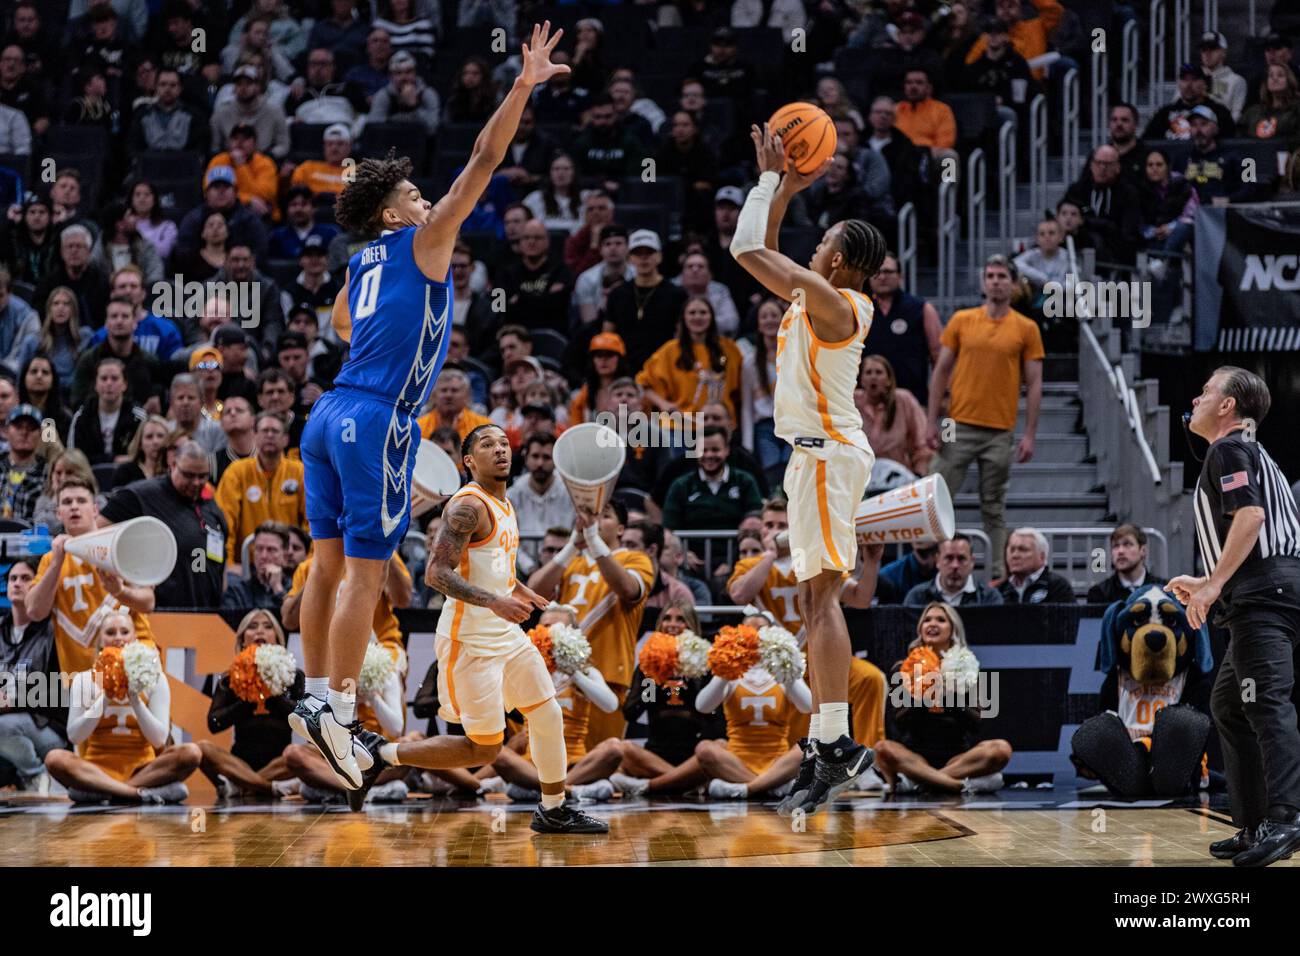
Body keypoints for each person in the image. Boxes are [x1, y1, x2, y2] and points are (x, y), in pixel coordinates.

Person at [293, 22, 572, 796]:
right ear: (395, 213)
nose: (427, 200)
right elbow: (484, 161)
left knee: (323, 566)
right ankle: (341, 713)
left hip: (328, 412)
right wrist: (523, 85)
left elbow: (344, 325)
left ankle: (316, 697)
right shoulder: (422, 241)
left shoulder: (361, 261)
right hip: (379, 414)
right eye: (414, 196)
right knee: (365, 571)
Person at [730, 121, 888, 815]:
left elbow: (745, 249)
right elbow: (766, 247)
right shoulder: (821, 295)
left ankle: (834, 743)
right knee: (815, 600)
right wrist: (787, 189)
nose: (813, 246)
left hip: (826, 457)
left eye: (823, 244)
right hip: (817, 459)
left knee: (822, 601)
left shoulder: (836, 304)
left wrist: (769, 181)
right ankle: (830, 741)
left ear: (843, 263)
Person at [366, 422, 608, 831]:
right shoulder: (467, 506)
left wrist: (520, 589)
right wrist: (496, 601)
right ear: (468, 460)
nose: (500, 450)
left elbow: (491, 568)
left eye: (503, 443)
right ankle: (382, 755)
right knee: (483, 748)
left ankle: (553, 808)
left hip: (506, 636)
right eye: (486, 444)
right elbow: (437, 574)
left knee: (547, 713)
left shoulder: (505, 504)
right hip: (469, 640)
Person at [1169, 366, 1300, 866]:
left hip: (1264, 595)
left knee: (1266, 704)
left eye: (1205, 391)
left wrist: (1213, 585)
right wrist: (1208, 582)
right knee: (1229, 704)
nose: (1197, 398)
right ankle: (1252, 824)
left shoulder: (1228, 447)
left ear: (1227, 406)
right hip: (1270, 591)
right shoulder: (1255, 452)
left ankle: (1286, 820)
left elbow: (1250, 518)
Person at [926, 256, 1044, 579]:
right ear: (983, 283)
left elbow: (1034, 382)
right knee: (936, 497)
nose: (995, 281)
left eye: (1002, 276)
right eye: (990, 276)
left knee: (993, 507)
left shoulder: (1026, 328)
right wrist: (931, 421)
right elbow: (940, 372)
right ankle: (930, 569)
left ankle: (996, 574)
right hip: (955, 424)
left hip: (1000, 430)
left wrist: (1030, 433)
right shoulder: (963, 320)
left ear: (1013, 283)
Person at [527, 496, 655, 753]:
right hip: (564, 677)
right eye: (592, 517)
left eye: (604, 516)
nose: (594, 522)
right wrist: (573, 544)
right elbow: (534, 591)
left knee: (600, 756)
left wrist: (594, 541)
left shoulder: (636, 559)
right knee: (556, 755)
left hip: (608, 673)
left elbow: (627, 589)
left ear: (621, 529)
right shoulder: (572, 561)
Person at [45, 610, 200, 804]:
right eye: (110, 633)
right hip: (96, 769)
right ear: (100, 640)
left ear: (134, 637)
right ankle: (136, 794)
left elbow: (159, 739)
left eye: (124, 632)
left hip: (143, 769)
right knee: (55, 759)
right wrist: (106, 697)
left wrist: (135, 699)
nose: (118, 638)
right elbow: (75, 735)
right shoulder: (84, 679)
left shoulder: (156, 678)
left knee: (191, 753)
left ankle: (109, 792)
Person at [478, 603, 625, 804]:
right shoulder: (525, 669)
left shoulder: (585, 671)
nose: (547, 632)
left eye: (555, 627)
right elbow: (501, 704)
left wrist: (573, 672)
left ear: (572, 634)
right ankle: (571, 792)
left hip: (574, 763)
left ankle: (545, 790)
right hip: (534, 764)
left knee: (615, 749)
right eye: (544, 626)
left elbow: (610, 705)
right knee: (497, 753)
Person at [874, 602, 1011, 794]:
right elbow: (899, 722)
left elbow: (976, 723)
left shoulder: (969, 668)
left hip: (957, 758)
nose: (932, 624)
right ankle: (955, 784)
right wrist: (926, 697)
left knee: (1001, 749)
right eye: (927, 620)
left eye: (941, 620)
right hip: (915, 756)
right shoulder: (902, 668)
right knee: (882, 748)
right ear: (920, 628)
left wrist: (949, 696)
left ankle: (924, 782)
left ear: (953, 629)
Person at [27, 475, 157, 676]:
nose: (74, 507)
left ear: (95, 509)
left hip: (132, 669)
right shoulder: (50, 560)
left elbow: (148, 603)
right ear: (58, 513)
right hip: (80, 679)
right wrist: (56, 563)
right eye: (67, 502)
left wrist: (121, 591)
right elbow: (35, 611)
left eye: (81, 501)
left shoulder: (118, 546)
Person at [694, 610, 814, 800]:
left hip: (778, 763)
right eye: (749, 629)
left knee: (812, 746)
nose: (756, 635)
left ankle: (747, 789)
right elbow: (702, 706)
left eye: (761, 629)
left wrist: (785, 665)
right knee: (705, 749)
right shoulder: (730, 672)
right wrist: (727, 669)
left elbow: (808, 706)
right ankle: (772, 787)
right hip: (736, 762)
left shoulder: (784, 670)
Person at [97, 440, 229, 609]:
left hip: (209, 612)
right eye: (188, 475)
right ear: (173, 465)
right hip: (161, 612)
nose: (196, 482)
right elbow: (98, 533)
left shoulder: (209, 503)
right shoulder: (141, 495)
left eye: (202, 476)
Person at [196, 609, 303, 800]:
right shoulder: (229, 677)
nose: (259, 631)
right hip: (239, 764)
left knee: (303, 754)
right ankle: (270, 788)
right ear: (242, 640)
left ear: (278, 639)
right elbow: (214, 723)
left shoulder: (294, 675)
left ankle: (242, 786)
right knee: (201, 749)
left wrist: (272, 694)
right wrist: (247, 699)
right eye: (252, 627)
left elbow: (305, 722)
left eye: (268, 627)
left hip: (280, 764)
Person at [216, 411, 306, 578]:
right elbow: (224, 523)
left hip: (291, 567)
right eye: (265, 431)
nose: (270, 435)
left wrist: (307, 564)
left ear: (286, 439)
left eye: (275, 431)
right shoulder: (237, 472)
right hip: (246, 568)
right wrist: (227, 565)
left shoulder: (299, 472)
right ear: (254, 436)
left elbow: (312, 524)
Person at [636, 297, 743, 435]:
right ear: (684, 318)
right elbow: (643, 384)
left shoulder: (730, 349)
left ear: (712, 317)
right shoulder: (669, 351)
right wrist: (664, 404)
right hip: (679, 428)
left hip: (719, 428)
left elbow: (740, 392)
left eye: (703, 312)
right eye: (692, 313)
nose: (697, 317)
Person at [0, 558, 61, 793]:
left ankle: (37, 775)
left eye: (26, 578)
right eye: (13, 578)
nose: (17, 583)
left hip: (45, 725)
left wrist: (13, 701)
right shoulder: (2, 629)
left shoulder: (52, 632)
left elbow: (59, 691)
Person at [864, 254, 941, 406]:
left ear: (900, 276)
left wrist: (943, 395)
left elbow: (938, 355)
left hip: (913, 401)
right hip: (868, 403)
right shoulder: (859, 309)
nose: (882, 277)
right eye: (877, 272)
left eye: (888, 272)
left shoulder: (921, 309)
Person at [661, 426, 764, 532]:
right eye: (703, 450)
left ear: (726, 450)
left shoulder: (744, 481)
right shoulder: (681, 486)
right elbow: (669, 528)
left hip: (737, 548)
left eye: (715, 450)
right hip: (690, 548)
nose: (709, 455)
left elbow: (755, 516)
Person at [857, 354, 931, 475]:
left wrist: (919, 474)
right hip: (861, 477)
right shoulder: (852, 401)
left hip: (897, 476)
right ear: (861, 379)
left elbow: (921, 442)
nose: (873, 377)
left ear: (889, 380)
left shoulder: (904, 400)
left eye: (879, 372)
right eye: (868, 372)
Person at [506, 431, 574, 539]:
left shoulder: (571, 495)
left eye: (546, 457)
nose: (540, 463)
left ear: (557, 460)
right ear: (526, 458)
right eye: (535, 456)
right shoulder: (511, 497)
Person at [904, 535, 1004, 607]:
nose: (955, 565)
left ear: (972, 562)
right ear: (937, 560)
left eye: (961, 559)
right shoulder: (917, 597)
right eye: (949, 558)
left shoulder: (989, 599)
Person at [1087, 523, 1168, 604]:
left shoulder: (1164, 589)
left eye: (1127, 544)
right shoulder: (1099, 593)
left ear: (1143, 550)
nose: (1120, 551)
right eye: (1115, 546)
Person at [223, 521, 292, 609]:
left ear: (285, 555)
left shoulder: (295, 589)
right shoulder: (237, 591)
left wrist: (277, 588)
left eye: (271, 550)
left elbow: (292, 619)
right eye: (259, 549)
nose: (263, 556)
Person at [999, 527, 1076, 603]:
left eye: (1023, 550)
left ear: (1041, 556)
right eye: (1011, 550)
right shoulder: (1001, 589)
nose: (1014, 555)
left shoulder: (1057, 587)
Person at [0, 403, 46, 522]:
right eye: (18, 426)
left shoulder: (49, 473)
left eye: (31, 428)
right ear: (6, 431)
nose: (24, 432)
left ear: (40, 434)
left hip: (31, 537)